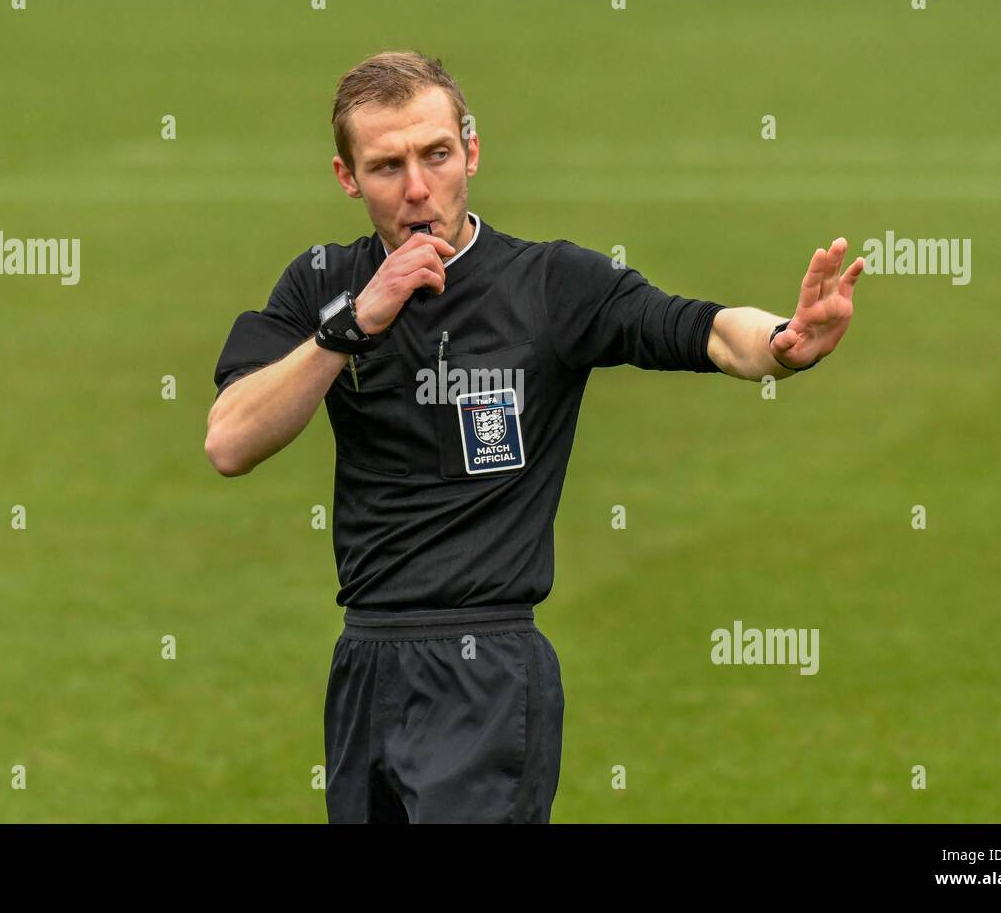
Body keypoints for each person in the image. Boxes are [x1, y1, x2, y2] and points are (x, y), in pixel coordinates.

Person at [206, 50, 863, 823]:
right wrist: (352, 325)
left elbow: (704, 331)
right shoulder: (321, 286)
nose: (417, 188)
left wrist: (783, 342)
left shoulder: (549, 286)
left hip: (487, 668)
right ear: (347, 178)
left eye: (437, 155)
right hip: (365, 663)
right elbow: (230, 442)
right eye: (387, 167)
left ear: (472, 152)